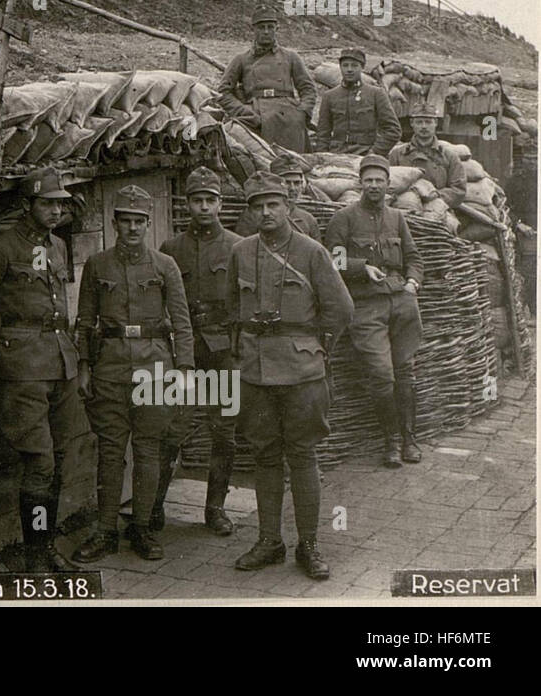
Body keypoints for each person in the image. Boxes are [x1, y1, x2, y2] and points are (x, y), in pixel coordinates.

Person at [229, 173, 353, 581]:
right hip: (257, 371)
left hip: (302, 372)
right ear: (250, 211)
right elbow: (233, 308)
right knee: (263, 455)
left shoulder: (312, 251)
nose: (265, 213)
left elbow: (341, 309)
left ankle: (310, 544)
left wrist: (317, 349)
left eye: (273, 205)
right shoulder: (241, 252)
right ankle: (269, 541)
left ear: (287, 207)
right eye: (257, 206)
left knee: (302, 455)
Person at [0, 167, 83, 571]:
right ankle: (35, 556)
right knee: (40, 462)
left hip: (60, 362)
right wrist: (6, 348)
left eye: (59, 203)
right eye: (46, 203)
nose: (54, 210)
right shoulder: (1, 248)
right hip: (23, 370)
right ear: (28, 205)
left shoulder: (58, 247)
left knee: (61, 457)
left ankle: (46, 546)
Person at [71, 185, 194, 563]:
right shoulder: (97, 265)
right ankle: (105, 530)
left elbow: (183, 323)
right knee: (109, 452)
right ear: (115, 223)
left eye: (139, 222)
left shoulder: (164, 266)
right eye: (126, 221)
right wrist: (84, 367)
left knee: (148, 450)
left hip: (156, 368)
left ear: (148, 223)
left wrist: (185, 371)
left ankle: (141, 527)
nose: (133, 229)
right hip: (108, 368)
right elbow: (85, 321)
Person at [324, 155, 425, 467]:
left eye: (379, 180)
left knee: (405, 370)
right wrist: (362, 267)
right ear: (360, 184)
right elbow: (333, 262)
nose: (374, 186)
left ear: (388, 184)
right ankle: (391, 440)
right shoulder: (343, 219)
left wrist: (412, 283)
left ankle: (409, 438)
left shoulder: (397, 217)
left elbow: (414, 257)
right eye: (368, 180)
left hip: (402, 302)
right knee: (382, 375)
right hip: (366, 306)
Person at [156, 167, 240, 537]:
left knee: (224, 431)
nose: (203, 207)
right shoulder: (171, 249)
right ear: (187, 204)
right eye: (196, 200)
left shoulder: (239, 246)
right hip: (183, 353)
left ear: (220, 203)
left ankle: (215, 508)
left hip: (223, 351)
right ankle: (153, 505)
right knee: (172, 426)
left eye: (210, 200)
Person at [215, 7, 317, 151]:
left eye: (270, 27)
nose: (266, 31)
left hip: (289, 115)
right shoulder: (241, 59)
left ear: (277, 29)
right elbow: (223, 92)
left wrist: (302, 112)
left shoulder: (291, 57)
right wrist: (244, 111)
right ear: (253, 30)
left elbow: (308, 88)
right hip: (255, 114)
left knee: (295, 161)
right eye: (261, 27)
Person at [316, 47, 401, 155]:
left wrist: (375, 152)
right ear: (340, 67)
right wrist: (323, 155)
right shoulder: (329, 96)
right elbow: (323, 133)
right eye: (345, 65)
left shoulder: (376, 93)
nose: (349, 69)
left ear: (362, 67)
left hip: (366, 152)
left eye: (354, 65)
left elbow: (393, 130)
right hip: (337, 153)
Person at [389, 104, 467, 208]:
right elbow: (388, 184)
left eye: (428, 122)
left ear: (436, 123)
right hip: (405, 207)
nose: (424, 126)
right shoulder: (397, 154)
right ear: (412, 123)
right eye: (419, 122)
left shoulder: (449, 156)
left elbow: (459, 190)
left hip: (439, 208)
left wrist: (436, 196)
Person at [234, 155, 322, 240]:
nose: (292, 188)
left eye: (296, 183)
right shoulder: (252, 217)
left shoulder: (308, 219)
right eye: (287, 182)